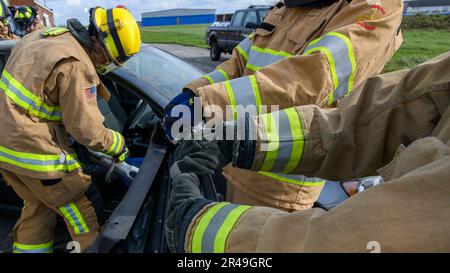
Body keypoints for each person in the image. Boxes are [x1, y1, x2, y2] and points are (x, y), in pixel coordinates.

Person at [167, 51, 450, 253]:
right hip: (240, 173)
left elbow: (312, 77)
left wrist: (193, 227)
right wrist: (238, 138)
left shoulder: (370, 10)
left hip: (282, 194)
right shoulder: (282, 10)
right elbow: (375, 115)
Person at [163, 0, 404, 212]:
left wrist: (207, 104)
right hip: (236, 163)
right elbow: (238, 63)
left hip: (280, 183)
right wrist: (195, 91)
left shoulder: (374, 7)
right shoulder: (286, 7)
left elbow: (312, 79)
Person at [0, 6, 140, 253]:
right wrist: (118, 145)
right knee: (83, 204)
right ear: (96, 40)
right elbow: (86, 130)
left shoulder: (43, 38)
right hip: (35, 155)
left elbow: (40, 98)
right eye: (108, 58)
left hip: (7, 152)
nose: (105, 65)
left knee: (38, 207)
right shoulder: (76, 63)